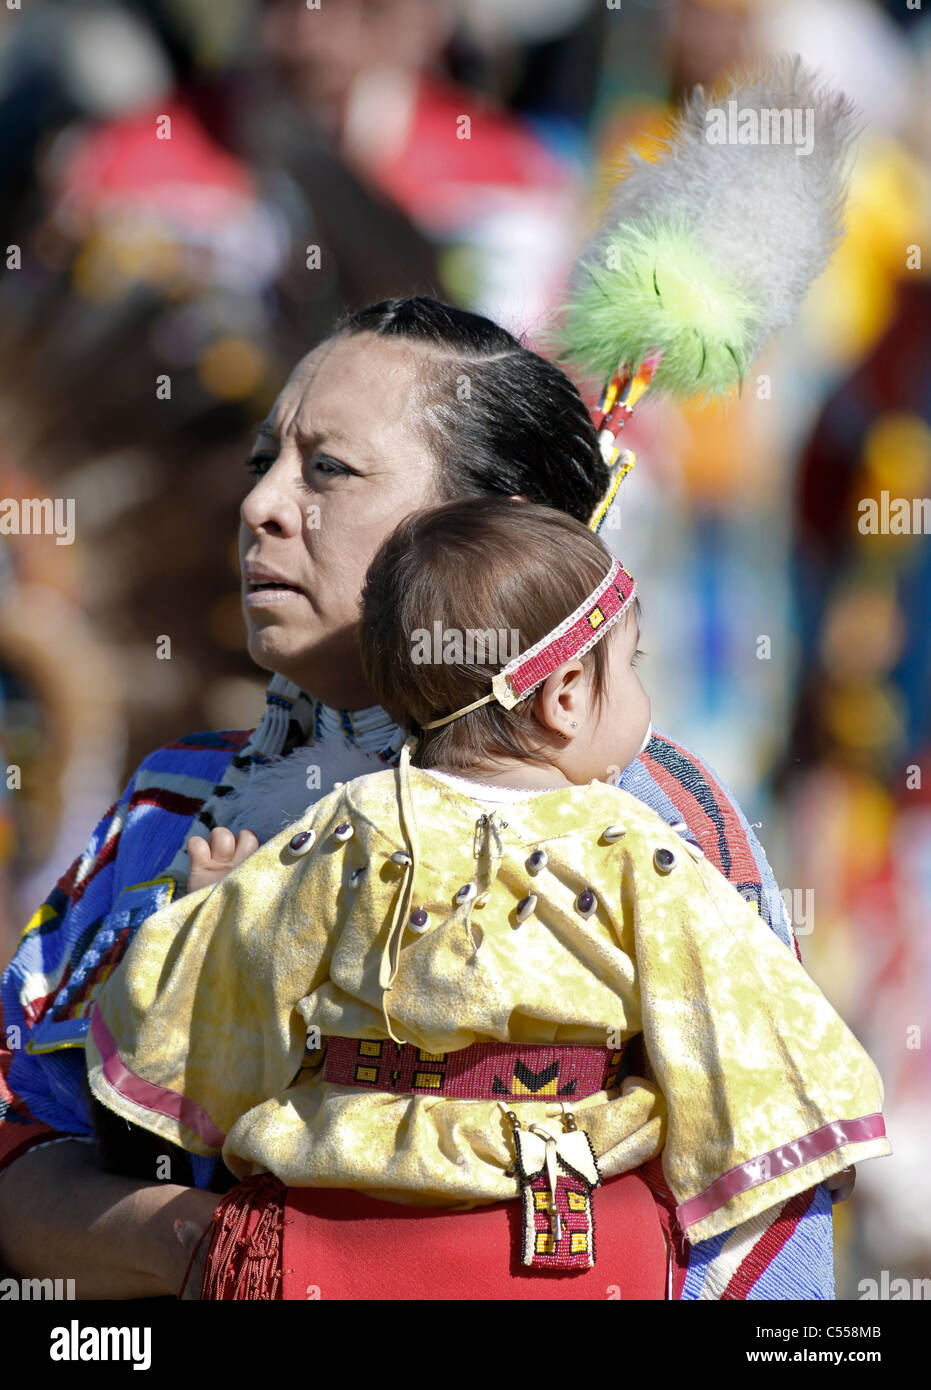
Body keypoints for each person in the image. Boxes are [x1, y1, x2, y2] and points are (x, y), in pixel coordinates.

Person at [0, 296, 847, 1300]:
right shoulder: (173, 810)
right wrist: (209, 1246)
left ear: (483, 522)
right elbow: (21, 1146)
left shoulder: (649, 822)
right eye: (262, 462)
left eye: (328, 469)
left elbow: (768, 1211)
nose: (262, 504)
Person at [85, 499, 889, 1293]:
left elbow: (221, 980)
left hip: (336, 1233)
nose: (641, 698)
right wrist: (804, 1135)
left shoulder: (348, 825)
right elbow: (730, 1003)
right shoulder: (629, 841)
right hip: (571, 1238)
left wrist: (201, 908)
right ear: (565, 694)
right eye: (631, 666)